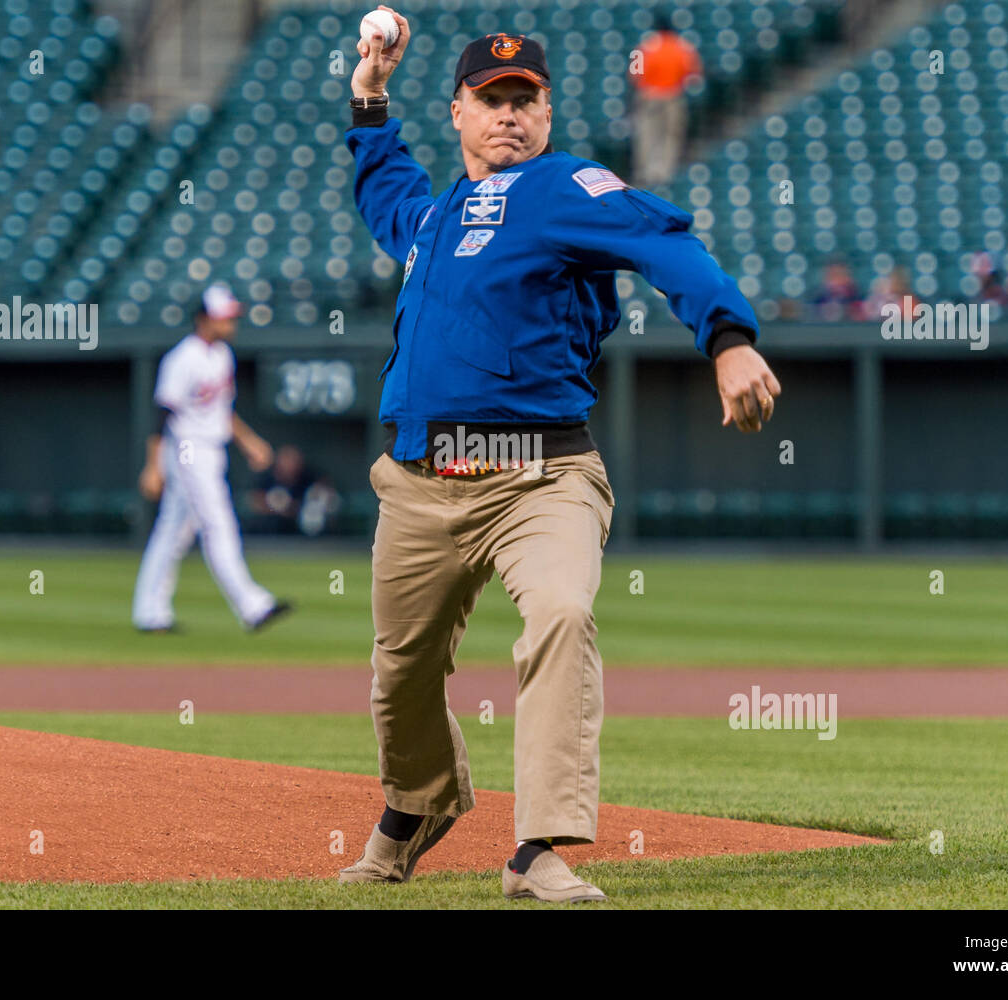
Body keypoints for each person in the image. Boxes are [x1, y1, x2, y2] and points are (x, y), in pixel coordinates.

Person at [339, 11, 780, 903]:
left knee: (561, 614)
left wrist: (728, 338)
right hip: (422, 481)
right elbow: (383, 184)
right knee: (401, 669)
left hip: (541, 475)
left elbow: (666, 244)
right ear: (457, 112)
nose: (509, 114)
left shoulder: (567, 187)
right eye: (490, 99)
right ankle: (417, 808)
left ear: (545, 114)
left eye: (525, 100)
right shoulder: (430, 219)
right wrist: (371, 94)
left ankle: (537, 847)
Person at [131, 283, 293, 633]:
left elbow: (221, 412)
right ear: (205, 318)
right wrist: (153, 465)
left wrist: (249, 442)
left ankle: (149, 611)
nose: (231, 322)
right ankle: (253, 605)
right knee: (218, 523)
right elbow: (163, 414)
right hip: (188, 449)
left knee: (172, 531)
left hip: (212, 447)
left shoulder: (222, 355)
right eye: (225, 316)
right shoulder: (182, 357)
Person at [628, 11, 702, 188]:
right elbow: (693, 74)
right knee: (669, 136)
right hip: (672, 96)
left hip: (648, 95)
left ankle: (645, 173)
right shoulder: (682, 46)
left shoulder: (645, 46)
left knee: (646, 134)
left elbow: (633, 73)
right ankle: (664, 173)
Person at [246, 444, 341, 536]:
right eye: (285, 460)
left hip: (304, 523)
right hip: (274, 526)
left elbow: (327, 493)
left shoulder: (309, 476)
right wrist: (279, 508)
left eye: (293, 460)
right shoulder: (268, 478)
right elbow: (255, 502)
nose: (289, 464)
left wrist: (300, 507)